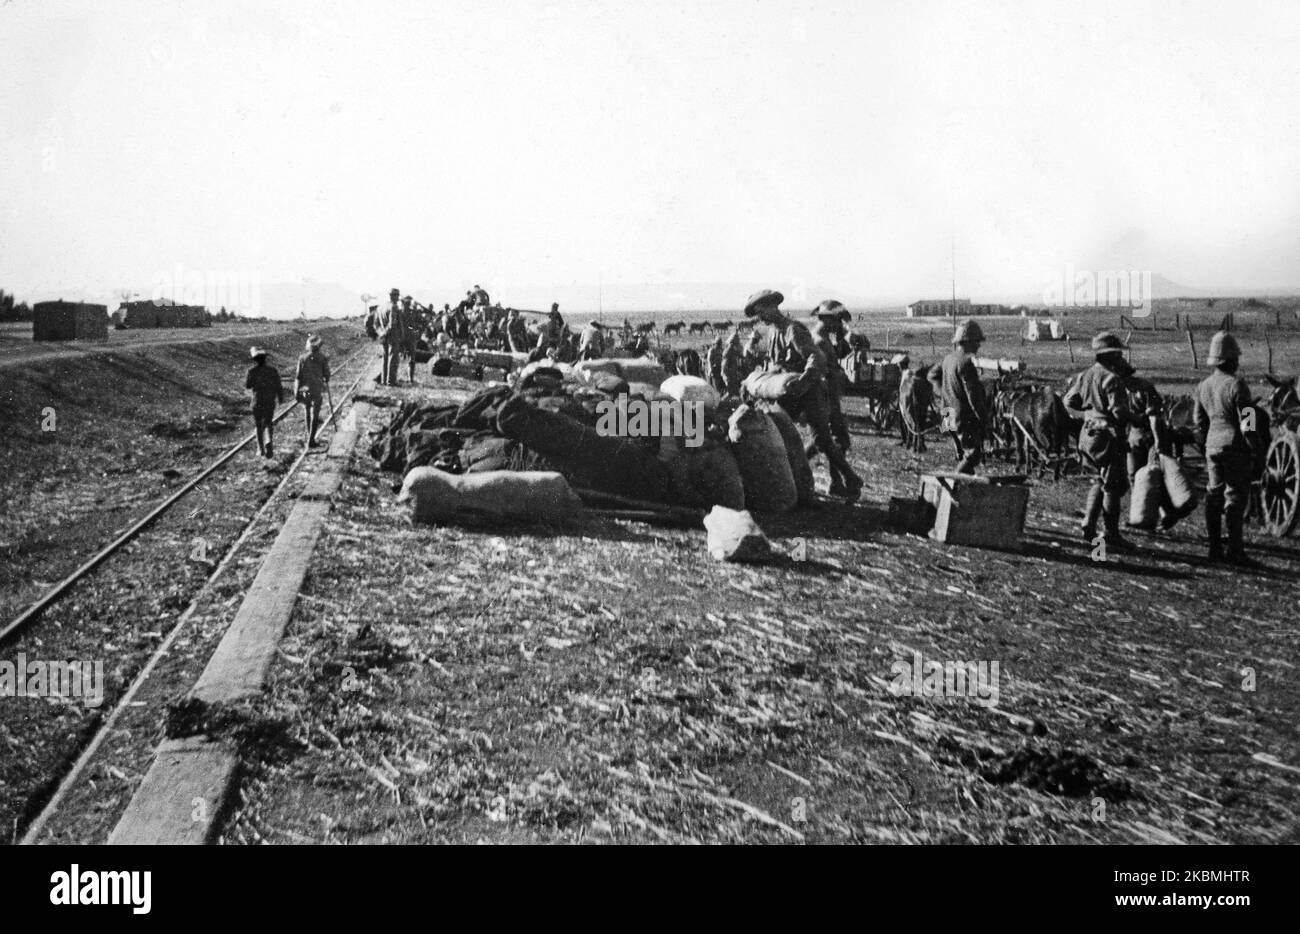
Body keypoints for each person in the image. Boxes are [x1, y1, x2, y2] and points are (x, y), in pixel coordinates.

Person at [746, 289, 863, 501]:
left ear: (772, 307)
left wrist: (802, 382)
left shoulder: (793, 330)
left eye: (761, 311)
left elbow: (816, 358)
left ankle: (850, 479)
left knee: (822, 440)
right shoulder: (773, 332)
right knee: (781, 432)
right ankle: (798, 480)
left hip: (810, 392)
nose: (759, 317)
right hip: (789, 393)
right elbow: (777, 363)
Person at [1063, 331, 1134, 552]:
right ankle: (1111, 534)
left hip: (1087, 435)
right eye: (1118, 353)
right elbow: (1120, 414)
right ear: (1110, 355)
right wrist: (1136, 417)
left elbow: (1069, 400)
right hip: (1108, 437)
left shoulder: (1085, 375)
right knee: (1113, 486)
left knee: (1096, 480)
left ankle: (1088, 522)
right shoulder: (1112, 379)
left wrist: (1089, 414)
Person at [1193, 331, 1258, 566]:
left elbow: (1198, 422)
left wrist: (1206, 445)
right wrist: (1256, 448)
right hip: (1235, 447)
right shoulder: (1238, 385)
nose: (1238, 362)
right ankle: (1235, 551)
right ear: (1231, 360)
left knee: (1214, 496)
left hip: (1212, 446)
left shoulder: (1203, 386)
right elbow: (1248, 423)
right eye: (1236, 358)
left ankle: (1214, 549)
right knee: (1235, 498)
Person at [928, 319, 989, 475]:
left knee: (964, 454)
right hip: (962, 417)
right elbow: (973, 398)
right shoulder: (966, 363)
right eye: (977, 341)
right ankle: (954, 485)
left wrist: (944, 393)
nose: (979, 345)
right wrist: (985, 421)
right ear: (967, 341)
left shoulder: (948, 359)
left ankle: (963, 487)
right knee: (973, 455)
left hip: (947, 415)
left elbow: (931, 375)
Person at [809, 300, 854, 458]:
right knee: (829, 441)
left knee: (835, 441)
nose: (839, 325)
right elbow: (822, 373)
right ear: (827, 319)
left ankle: (837, 482)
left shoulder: (824, 339)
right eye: (838, 320)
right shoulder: (819, 342)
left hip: (829, 397)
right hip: (825, 398)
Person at [245, 346, 283, 458]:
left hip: (257, 402)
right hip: (269, 401)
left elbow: (248, 385)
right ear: (265, 358)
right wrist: (280, 398)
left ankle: (261, 449)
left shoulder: (251, 371)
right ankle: (269, 440)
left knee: (258, 425)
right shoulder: (273, 370)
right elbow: (278, 386)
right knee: (268, 422)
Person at [295, 334, 331, 448]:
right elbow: (327, 375)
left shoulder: (302, 358)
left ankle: (309, 435)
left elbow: (298, 376)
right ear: (319, 346)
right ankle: (311, 439)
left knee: (307, 411)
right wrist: (325, 378)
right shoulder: (322, 358)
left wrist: (297, 391)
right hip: (316, 389)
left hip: (305, 390)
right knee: (315, 414)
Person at [374, 288, 405, 385]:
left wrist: (381, 333)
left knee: (385, 358)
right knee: (393, 359)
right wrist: (387, 333)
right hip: (392, 336)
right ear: (394, 296)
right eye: (396, 295)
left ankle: (384, 380)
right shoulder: (393, 307)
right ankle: (391, 381)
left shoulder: (380, 307)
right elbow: (392, 324)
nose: (397, 297)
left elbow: (376, 324)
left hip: (384, 337)